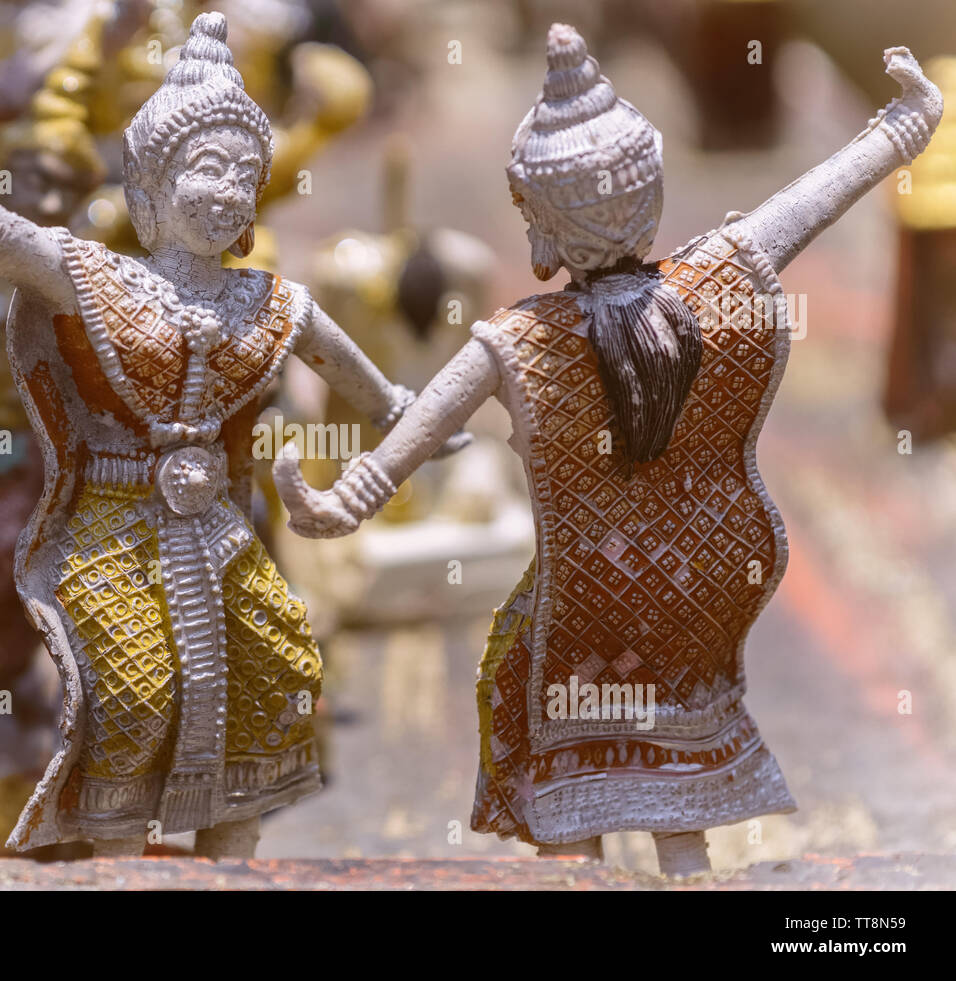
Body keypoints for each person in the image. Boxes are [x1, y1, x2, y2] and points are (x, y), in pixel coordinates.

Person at [273, 24, 943, 876]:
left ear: (543, 234)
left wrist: (333, 506)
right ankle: (682, 862)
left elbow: (403, 447)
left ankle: (578, 863)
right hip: (699, 600)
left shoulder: (515, 342)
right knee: (678, 804)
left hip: (583, 620)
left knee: (530, 694)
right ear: (650, 199)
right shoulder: (717, 280)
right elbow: (810, 200)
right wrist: (902, 128)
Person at [0, 11, 443, 857]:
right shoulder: (106, 279)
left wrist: (397, 413)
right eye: (205, 168)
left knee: (276, 679)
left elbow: (354, 373)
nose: (226, 189)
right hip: (113, 524)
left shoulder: (268, 301)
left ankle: (230, 860)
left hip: (219, 530)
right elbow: (23, 249)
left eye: (244, 176)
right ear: (150, 188)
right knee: (134, 693)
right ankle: (119, 867)